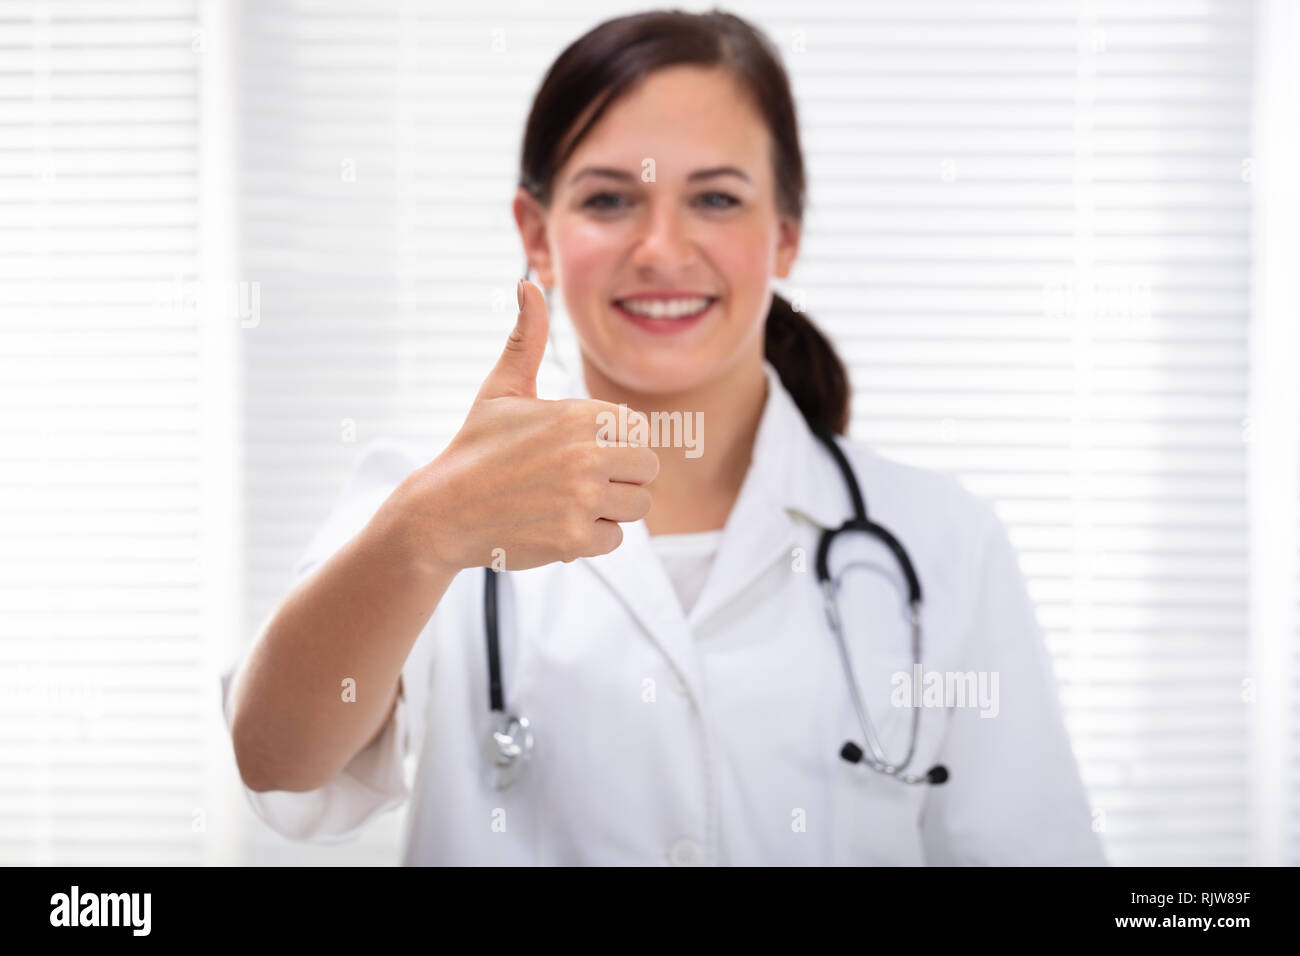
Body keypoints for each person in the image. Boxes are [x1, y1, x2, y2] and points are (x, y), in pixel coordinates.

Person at [220, 9, 1107, 866]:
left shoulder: (943, 539)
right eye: (610, 199)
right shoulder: (428, 500)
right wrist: (422, 538)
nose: (661, 247)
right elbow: (280, 761)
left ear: (785, 236)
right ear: (537, 235)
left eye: (716, 198)